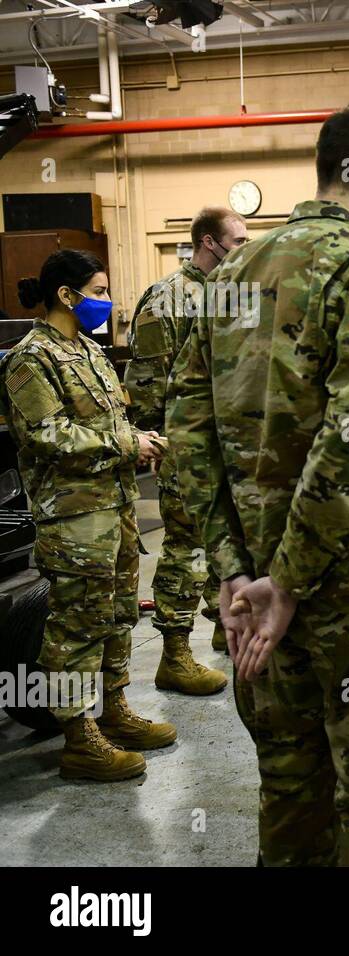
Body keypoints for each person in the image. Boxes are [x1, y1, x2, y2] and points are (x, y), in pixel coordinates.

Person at [167, 100, 349, 866]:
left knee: (292, 804)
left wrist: (237, 572)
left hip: (256, 602)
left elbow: (190, 438)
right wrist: (287, 584)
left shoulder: (233, 273)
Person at [0, 250, 176, 781]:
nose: (106, 301)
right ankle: (79, 738)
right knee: (75, 626)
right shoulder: (32, 358)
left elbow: (111, 418)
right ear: (66, 295)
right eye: (98, 291)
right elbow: (45, 434)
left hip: (115, 508)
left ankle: (114, 710)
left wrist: (139, 438)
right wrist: (128, 443)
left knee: (118, 614)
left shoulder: (91, 352)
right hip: (73, 517)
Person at [125, 206, 248, 690]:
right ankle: (174, 654)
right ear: (207, 242)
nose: (244, 248)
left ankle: (224, 627)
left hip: (225, 441)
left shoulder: (230, 293)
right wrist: (166, 443)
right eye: (237, 241)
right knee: (186, 547)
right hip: (186, 442)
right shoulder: (169, 298)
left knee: (227, 538)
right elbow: (151, 380)